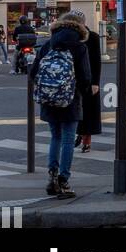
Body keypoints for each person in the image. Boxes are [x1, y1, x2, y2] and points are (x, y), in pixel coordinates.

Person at [29, 11, 92, 199]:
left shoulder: (48, 44)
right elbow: (85, 77)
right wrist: (84, 92)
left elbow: (33, 73)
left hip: (49, 100)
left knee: (55, 137)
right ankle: (64, 180)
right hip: (70, 100)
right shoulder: (80, 47)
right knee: (67, 140)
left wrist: (47, 88)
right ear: (80, 26)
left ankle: (52, 177)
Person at [69, 11, 102, 154]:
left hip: (88, 80)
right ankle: (78, 134)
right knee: (74, 110)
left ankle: (86, 140)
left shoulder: (92, 37)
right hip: (72, 79)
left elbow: (96, 61)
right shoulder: (70, 37)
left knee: (88, 111)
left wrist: (95, 82)